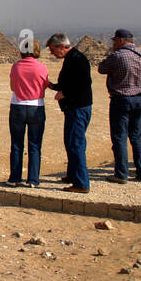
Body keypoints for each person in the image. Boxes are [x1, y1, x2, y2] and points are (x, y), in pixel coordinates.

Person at [98, 28, 141, 183]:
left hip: (121, 100)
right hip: (140, 100)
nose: (113, 44)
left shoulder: (117, 56)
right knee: (138, 137)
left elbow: (101, 68)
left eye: (114, 41)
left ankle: (121, 174)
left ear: (121, 40)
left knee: (120, 137)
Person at [47, 33, 92, 192]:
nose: (52, 54)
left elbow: (84, 84)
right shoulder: (72, 58)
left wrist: (65, 93)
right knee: (71, 142)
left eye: (53, 50)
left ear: (61, 46)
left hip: (78, 109)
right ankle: (73, 175)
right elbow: (70, 82)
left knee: (76, 143)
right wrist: (52, 86)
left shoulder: (77, 59)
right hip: (75, 108)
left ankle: (81, 183)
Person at [7, 40, 50, 187]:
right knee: (35, 145)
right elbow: (45, 86)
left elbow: (12, 86)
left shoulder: (16, 66)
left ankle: (14, 179)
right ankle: (33, 180)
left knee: (16, 145)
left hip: (17, 106)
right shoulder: (42, 68)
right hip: (36, 107)